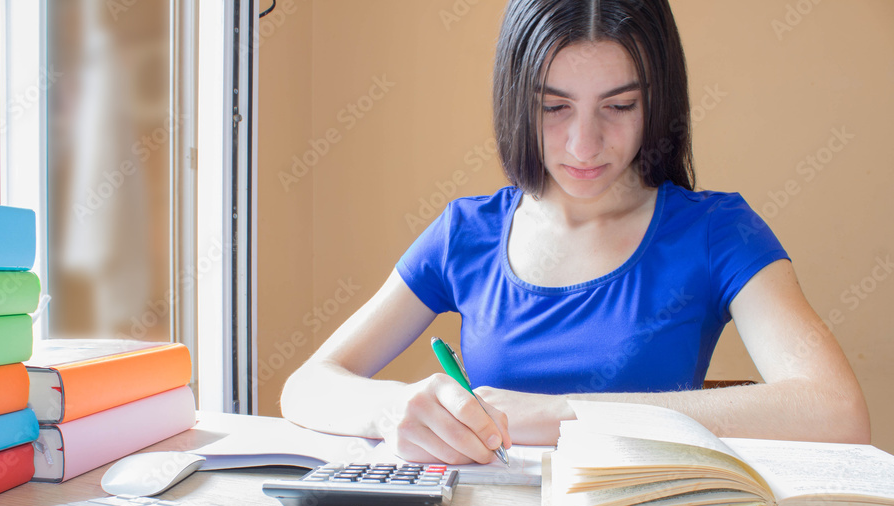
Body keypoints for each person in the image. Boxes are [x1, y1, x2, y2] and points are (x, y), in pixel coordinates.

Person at [280, 0, 870, 464]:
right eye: (553, 107)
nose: (584, 146)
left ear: (657, 103)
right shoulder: (466, 232)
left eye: (619, 106)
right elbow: (306, 386)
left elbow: (836, 410)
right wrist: (396, 409)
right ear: (516, 101)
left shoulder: (717, 231)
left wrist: (558, 414)